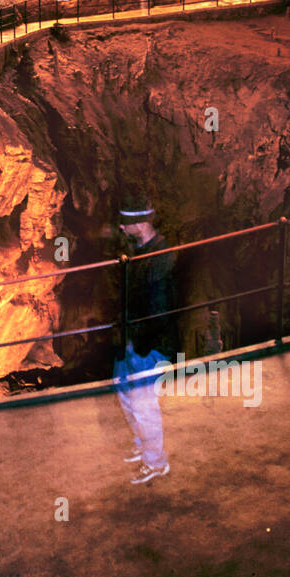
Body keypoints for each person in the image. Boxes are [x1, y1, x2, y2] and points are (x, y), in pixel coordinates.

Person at [114, 194, 177, 484]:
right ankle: (142, 446)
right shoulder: (140, 250)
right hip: (132, 338)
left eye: (125, 225)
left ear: (139, 224)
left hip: (148, 345)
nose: (121, 229)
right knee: (124, 392)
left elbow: (161, 310)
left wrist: (143, 346)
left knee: (143, 404)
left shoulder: (161, 258)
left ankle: (156, 462)